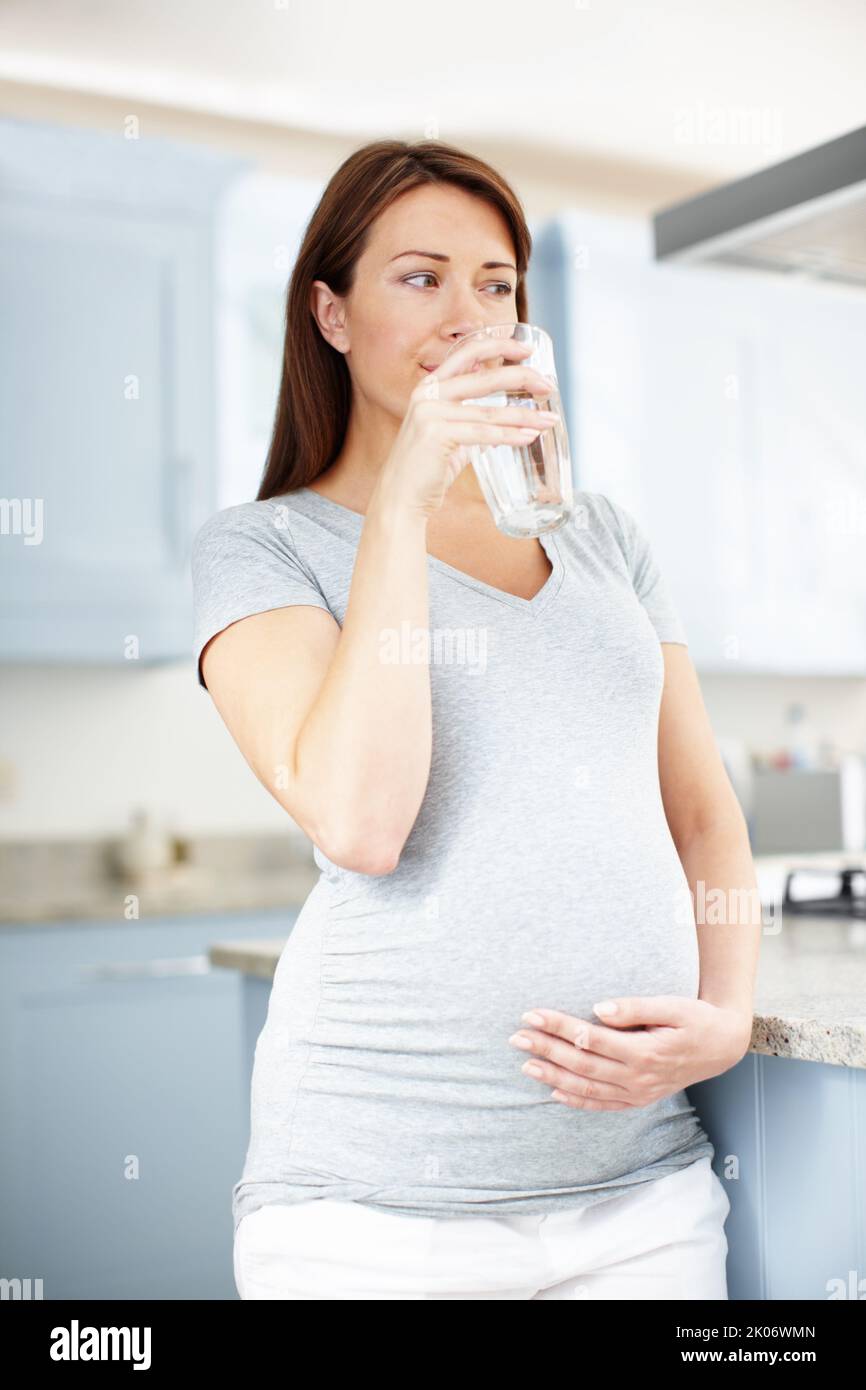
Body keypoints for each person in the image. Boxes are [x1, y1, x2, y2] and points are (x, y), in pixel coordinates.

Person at [191, 139, 760, 1300]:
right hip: (375, 1210)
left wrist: (728, 1013)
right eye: (419, 277)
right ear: (330, 313)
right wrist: (403, 497)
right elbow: (360, 821)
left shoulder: (601, 536)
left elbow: (701, 816)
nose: (469, 315)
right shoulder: (262, 549)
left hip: (640, 1190)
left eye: (495, 283)